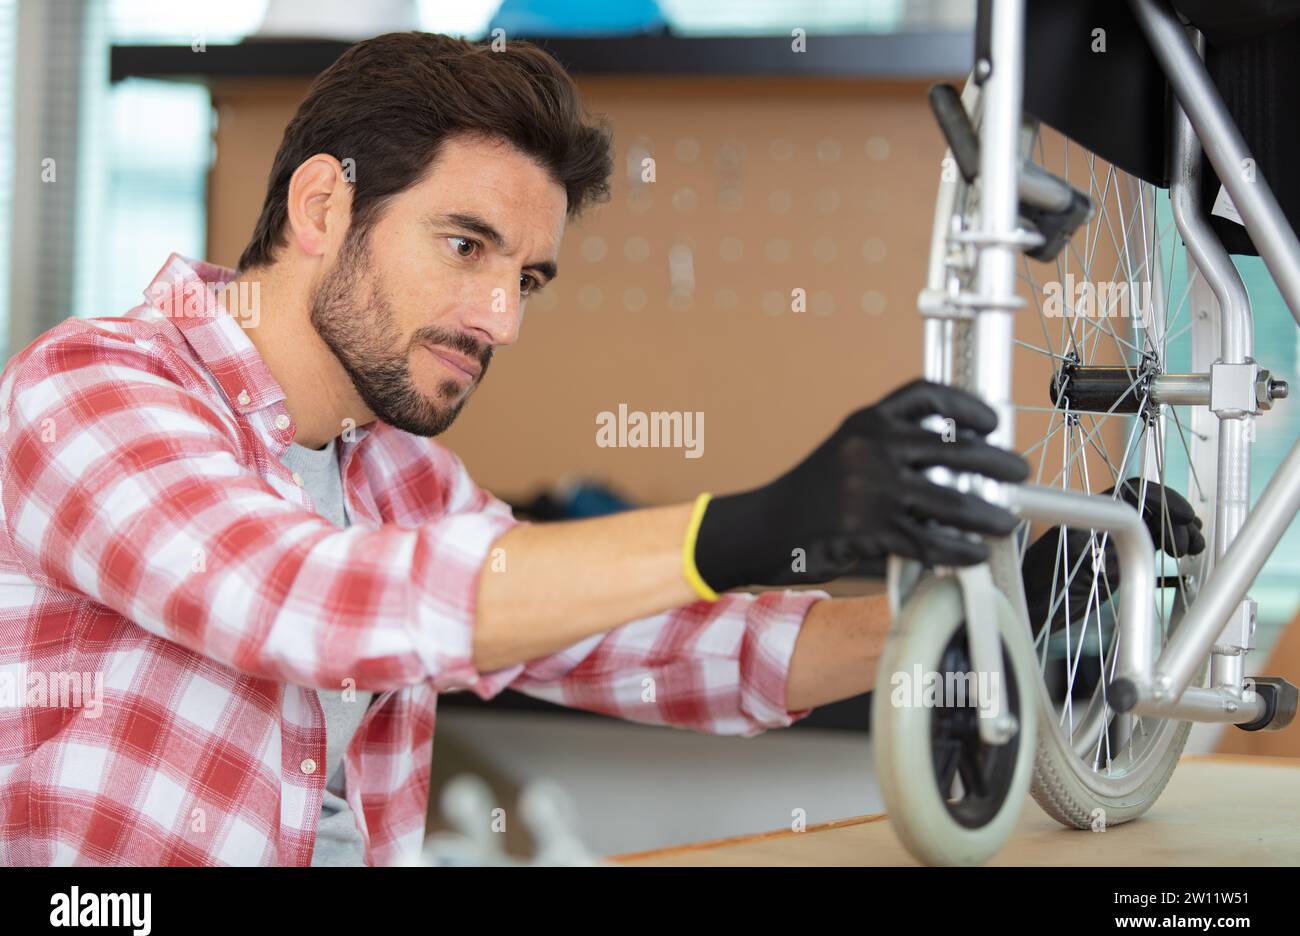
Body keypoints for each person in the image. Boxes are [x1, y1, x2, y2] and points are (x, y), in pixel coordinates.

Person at [0, 32, 1199, 867]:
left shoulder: (398, 476)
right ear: (323, 208)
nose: (499, 319)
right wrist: (738, 520)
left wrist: (1004, 621)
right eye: (463, 245)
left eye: (525, 276)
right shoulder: (92, 388)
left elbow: (668, 648)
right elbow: (302, 600)